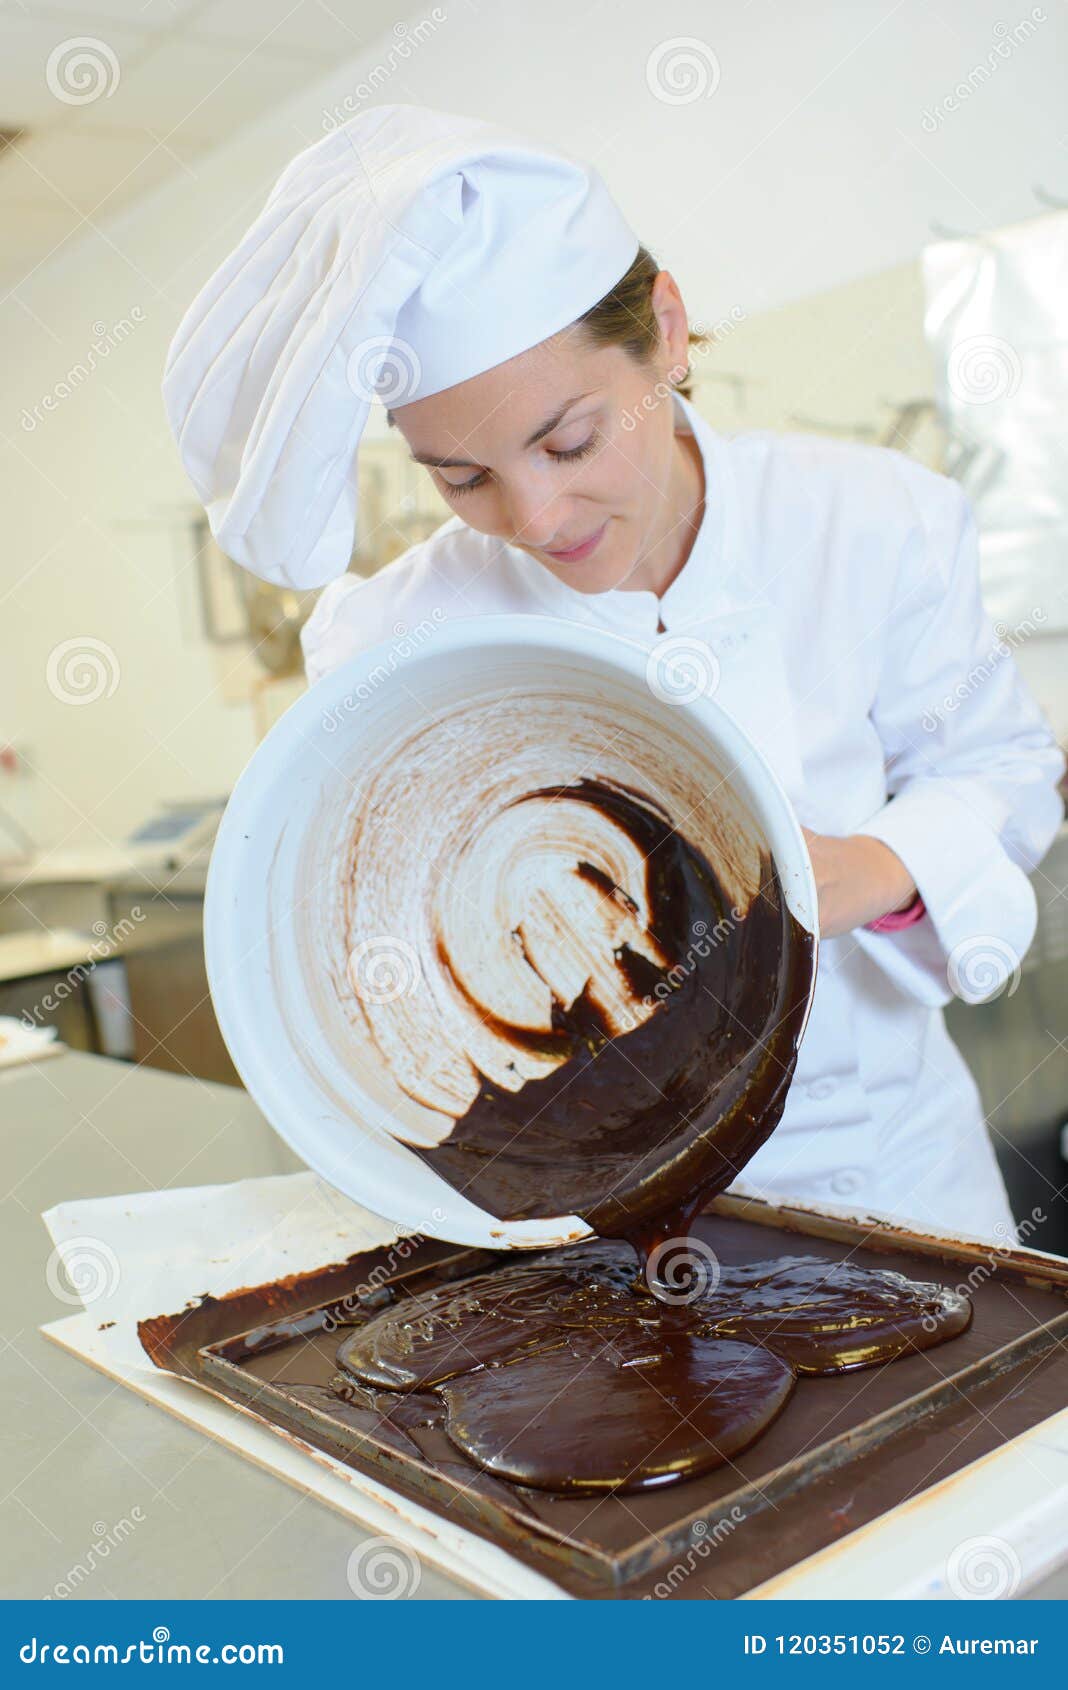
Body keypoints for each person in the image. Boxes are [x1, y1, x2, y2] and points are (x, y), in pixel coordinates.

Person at [163, 104, 1064, 1243]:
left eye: (570, 441)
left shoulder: (871, 521)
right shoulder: (395, 636)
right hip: (575, 1217)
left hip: (894, 1181)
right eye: (461, 477)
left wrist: (870, 867)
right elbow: (361, 954)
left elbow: (1004, 766)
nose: (535, 516)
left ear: (669, 333)